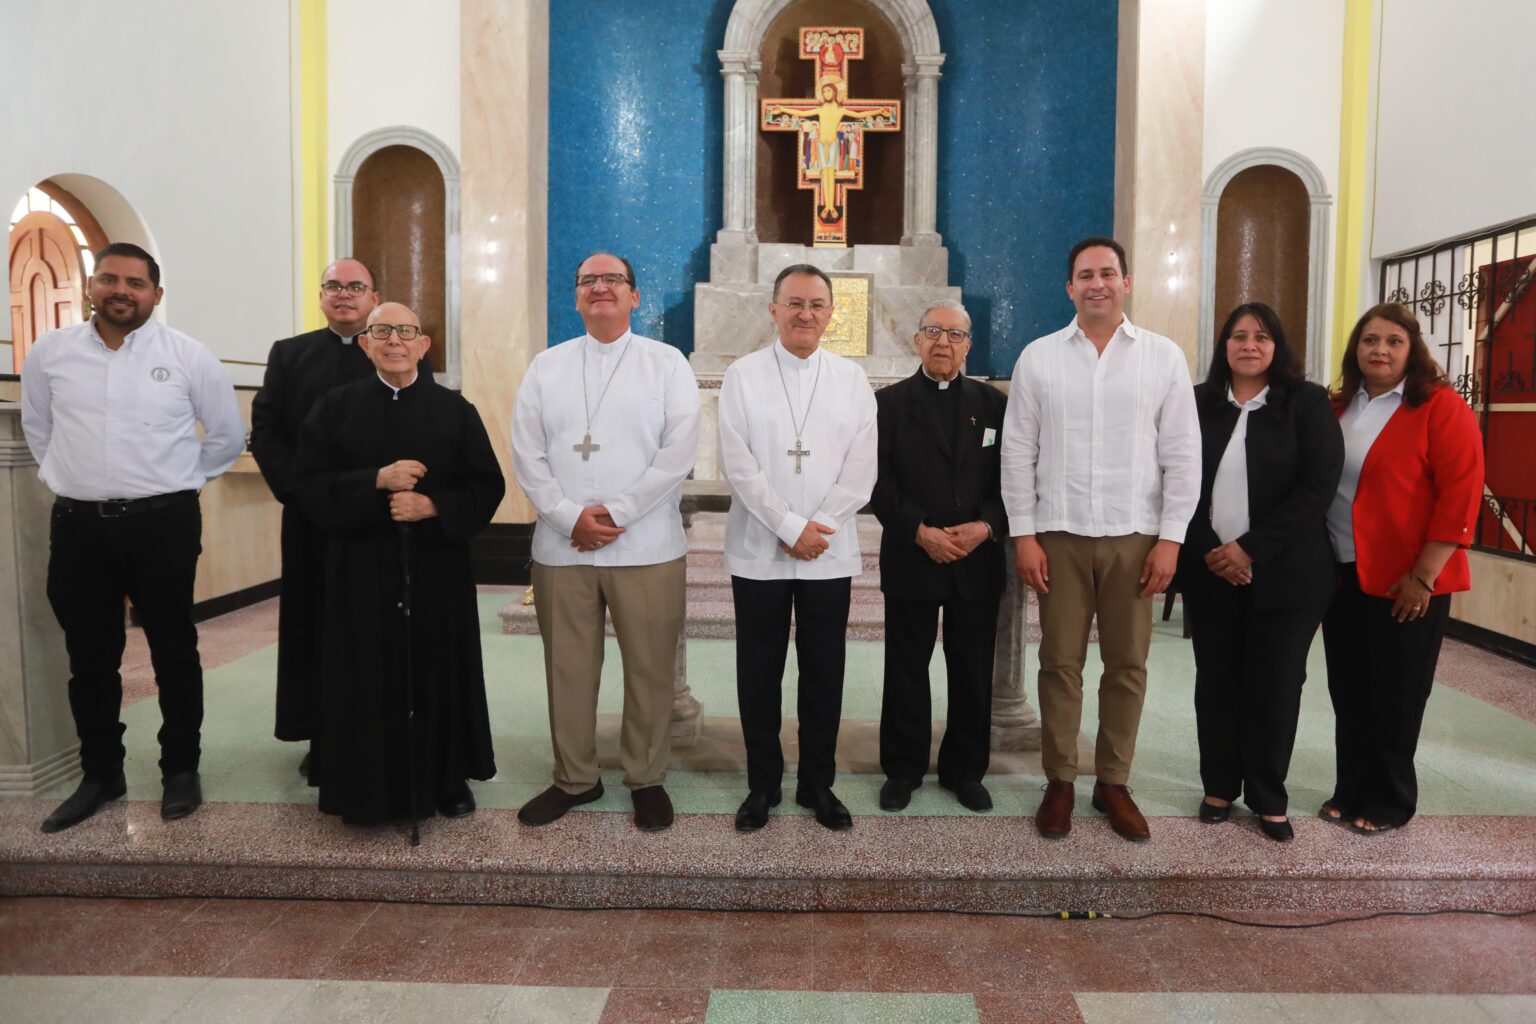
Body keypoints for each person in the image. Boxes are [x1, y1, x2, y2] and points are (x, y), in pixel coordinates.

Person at [21, 242, 244, 832]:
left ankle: (180, 771)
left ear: (156, 294)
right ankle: (101, 774)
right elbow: (38, 429)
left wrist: (177, 486)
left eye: (136, 283)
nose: (122, 290)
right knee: (89, 658)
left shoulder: (188, 356)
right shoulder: (51, 353)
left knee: (174, 651)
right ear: (92, 285)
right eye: (110, 279)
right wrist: (77, 482)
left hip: (162, 525)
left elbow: (224, 436)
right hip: (79, 527)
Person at [1000, 236, 1200, 843]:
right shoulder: (1039, 357)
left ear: (1126, 282)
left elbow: (1182, 454)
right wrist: (1023, 535)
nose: (1097, 284)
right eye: (1085, 274)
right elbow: (1017, 451)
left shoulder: (1162, 358)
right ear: (1069, 287)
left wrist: (1172, 539)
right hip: (1057, 533)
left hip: (1135, 537)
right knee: (1059, 661)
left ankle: (1113, 780)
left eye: (1108, 273)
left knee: (1127, 664)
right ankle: (1060, 780)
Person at [510, 253, 699, 833]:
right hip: (563, 548)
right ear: (576, 297)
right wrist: (570, 517)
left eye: (612, 280)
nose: (599, 288)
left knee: (649, 669)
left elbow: (679, 451)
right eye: (587, 280)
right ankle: (576, 777)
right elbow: (527, 451)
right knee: (568, 668)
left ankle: (645, 777)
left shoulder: (667, 365)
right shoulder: (546, 366)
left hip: (647, 546)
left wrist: (614, 513)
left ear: (635, 297)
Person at [294, 302, 502, 826]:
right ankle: (361, 790)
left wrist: (433, 506)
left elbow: (486, 485)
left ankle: (447, 780)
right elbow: (307, 486)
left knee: (438, 666)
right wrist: (374, 483)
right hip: (359, 572)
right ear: (365, 343)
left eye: (405, 331)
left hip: (436, 569)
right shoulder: (332, 408)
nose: (393, 341)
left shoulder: (457, 411)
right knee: (362, 674)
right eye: (381, 331)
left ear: (423, 344)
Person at [251, 258, 429, 776]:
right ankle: (325, 737)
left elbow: (422, 423)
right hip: (314, 521)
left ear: (375, 297)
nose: (344, 294)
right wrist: (305, 495)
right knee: (317, 627)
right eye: (334, 286)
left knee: (386, 628)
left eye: (356, 287)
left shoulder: (397, 350)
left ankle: (400, 730)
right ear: (321, 295)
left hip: (385, 522)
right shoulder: (290, 355)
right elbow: (267, 433)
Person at [718, 263, 878, 832]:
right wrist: (789, 526)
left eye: (816, 304)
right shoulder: (742, 375)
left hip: (828, 552)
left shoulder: (852, 379)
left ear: (832, 313)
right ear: (774, 310)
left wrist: (819, 525)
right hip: (760, 548)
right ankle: (762, 785)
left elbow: (862, 469)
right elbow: (737, 463)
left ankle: (818, 784)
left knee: (823, 672)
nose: (805, 314)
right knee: (758, 672)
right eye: (794, 303)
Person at [1178, 303, 1343, 842]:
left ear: (1278, 346)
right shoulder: (1197, 403)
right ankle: (1219, 787)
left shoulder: (1307, 403)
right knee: (1218, 681)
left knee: (1275, 685)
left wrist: (1249, 550)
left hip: (1289, 577)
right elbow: (1175, 482)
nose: (1249, 345)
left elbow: (1316, 489)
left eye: (1262, 336)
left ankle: (1269, 795)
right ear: (1223, 346)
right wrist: (1211, 552)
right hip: (1210, 572)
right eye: (1238, 336)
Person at [1320, 303, 1483, 836]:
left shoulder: (1439, 407)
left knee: (1397, 691)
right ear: (1356, 349)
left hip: (1408, 580)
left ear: (1412, 350)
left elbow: (1460, 494)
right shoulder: (1340, 405)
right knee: (1350, 689)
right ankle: (1350, 788)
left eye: (1393, 341)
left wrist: (1424, 575)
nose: (1380, 350)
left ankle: (1390, 798)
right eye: (1369, 340)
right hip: (1344, 572)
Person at [871, 300, 1007, 814]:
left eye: (955, 334)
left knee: (972, 670)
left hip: (977, 558)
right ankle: (903, 770)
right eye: (933, 332)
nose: (943, 342)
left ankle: (964, 770)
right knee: (906, 668)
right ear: (916, 340)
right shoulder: (887, 404)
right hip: (913, 555)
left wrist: (987, 526)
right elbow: (878, 483)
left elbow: (1011, 479)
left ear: (969, 345)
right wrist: (918, 532)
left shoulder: (995, 404)